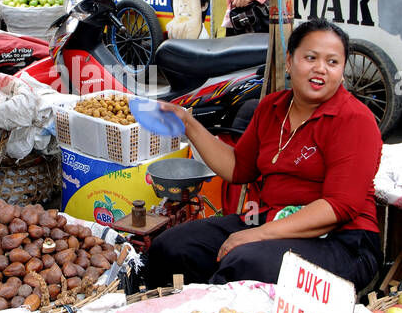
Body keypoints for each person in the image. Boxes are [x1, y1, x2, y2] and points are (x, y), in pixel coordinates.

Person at [142, 19, 383, 288]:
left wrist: (259, 234)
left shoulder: (353, 119)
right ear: (289, 62)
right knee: (172, 247)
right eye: (311, 57)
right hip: (271, 220)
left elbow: (339, 207)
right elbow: (237, 168)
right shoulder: (271, 108)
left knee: (244, 262)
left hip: (344, 241)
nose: (321, 69)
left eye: (333, 62)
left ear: (342, 71)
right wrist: (188, 123)